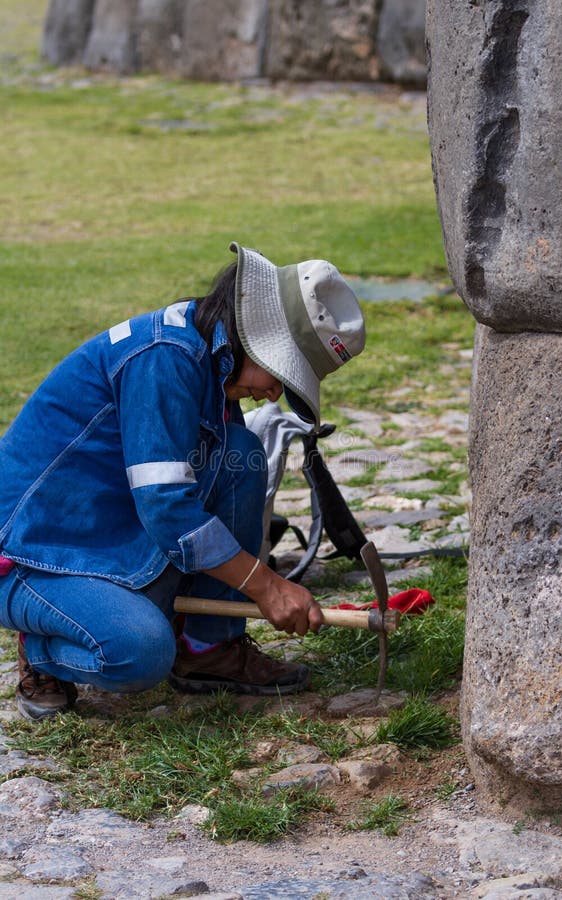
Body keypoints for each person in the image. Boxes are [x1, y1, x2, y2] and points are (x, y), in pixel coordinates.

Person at [0, 242, 366, 720]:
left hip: (106, 533)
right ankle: (44, 650)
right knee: (140, 651)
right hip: (36, 552)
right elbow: (168, 509)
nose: (274, 392)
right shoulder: (165, 357)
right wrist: (266, 586)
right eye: (281, 372)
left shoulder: (209, 354)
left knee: (240, 453)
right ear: (254, 334)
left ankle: (208, 648)